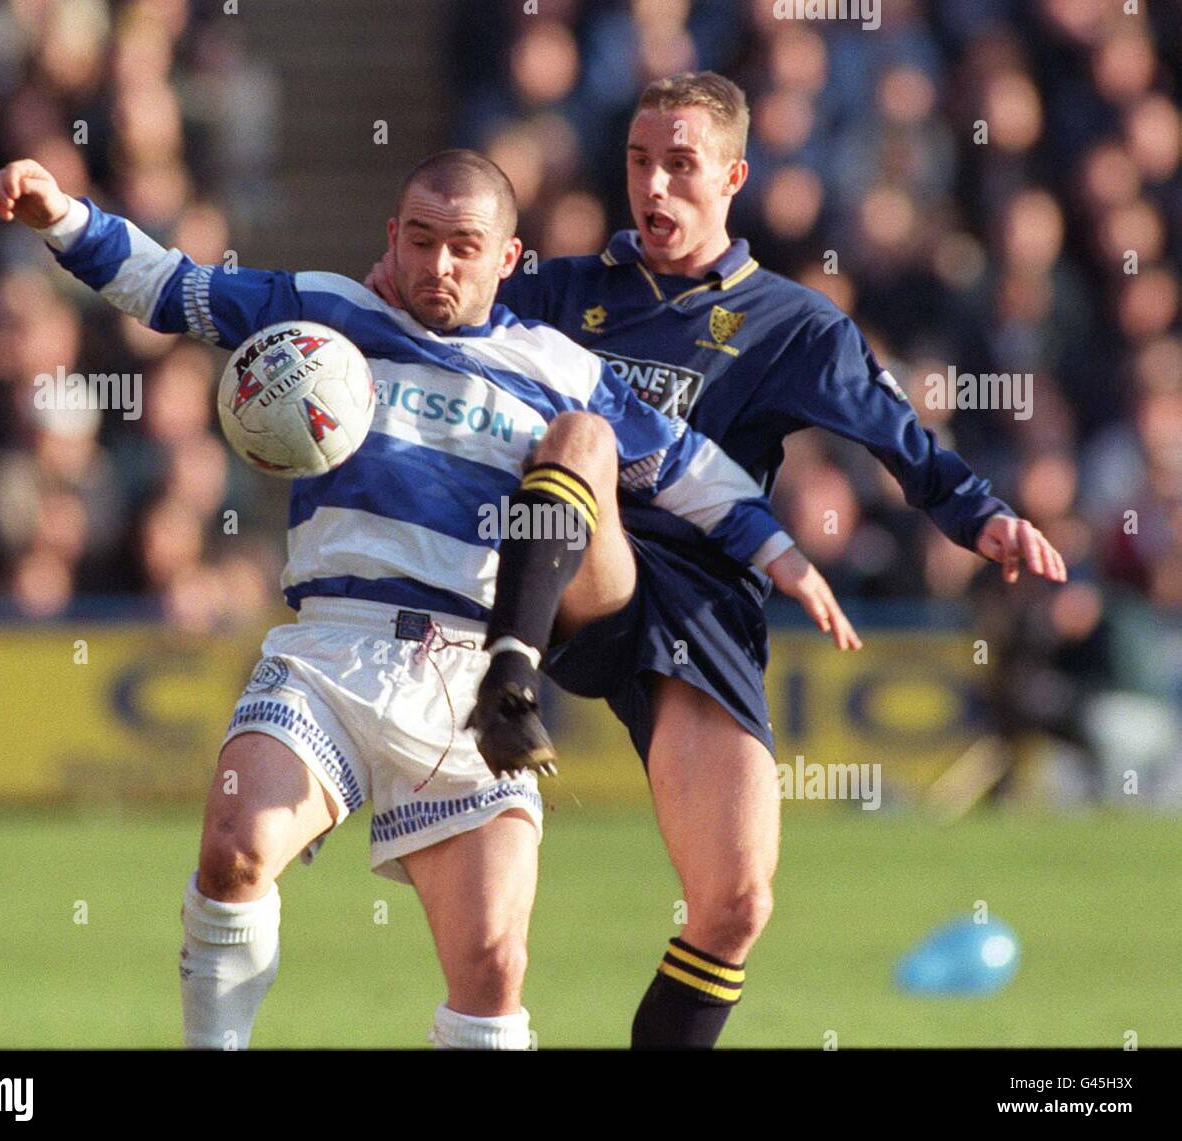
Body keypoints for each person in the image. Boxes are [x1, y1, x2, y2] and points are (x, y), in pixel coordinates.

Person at [0, 148, 850, 1050]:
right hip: (332, 648)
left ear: (508, 260)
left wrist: (783, 553)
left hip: (468, 676)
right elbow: (175, 288)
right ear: (392, 237)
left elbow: (690, 469)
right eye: (422, 240)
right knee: (234, 846)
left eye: (464, 248)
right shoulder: (329, 310)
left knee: (490, 966)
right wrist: (61, 216)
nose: (439, 266)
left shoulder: (557, 367)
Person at [369, 72, 1068, 1050]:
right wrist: (388, 290)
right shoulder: (560, 293)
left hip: (703, 608)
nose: (654, 187)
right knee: (582, 437)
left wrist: (979, 515)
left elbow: (891, 428)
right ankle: (509, 676)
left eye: (681, 166)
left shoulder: (790, 324)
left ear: (734, 175)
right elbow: (430, 292)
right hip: (579, 568)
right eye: (638, 162)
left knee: (734, 906)